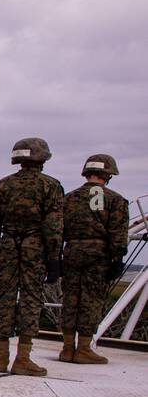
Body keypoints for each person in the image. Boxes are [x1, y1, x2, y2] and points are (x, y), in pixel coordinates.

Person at [0, 137, 64, 377]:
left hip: (6, 246)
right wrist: (53, 259)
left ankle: (1, 356)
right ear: (42, 159)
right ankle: (23, 358)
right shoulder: (50, 186)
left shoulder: (3, 185)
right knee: (31, 298)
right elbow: (54, 226)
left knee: (4, 298)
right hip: (35, 247)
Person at [59, 154, 127, 365]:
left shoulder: (68, 198)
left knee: (71, 298)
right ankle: (84, 349)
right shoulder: (115, 200)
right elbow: (118, 234)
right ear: (107, 174)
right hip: (98, 255)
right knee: (91, 300)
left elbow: (57, 229)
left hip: (72, 251)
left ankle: (67, 348)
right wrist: (117, 259)